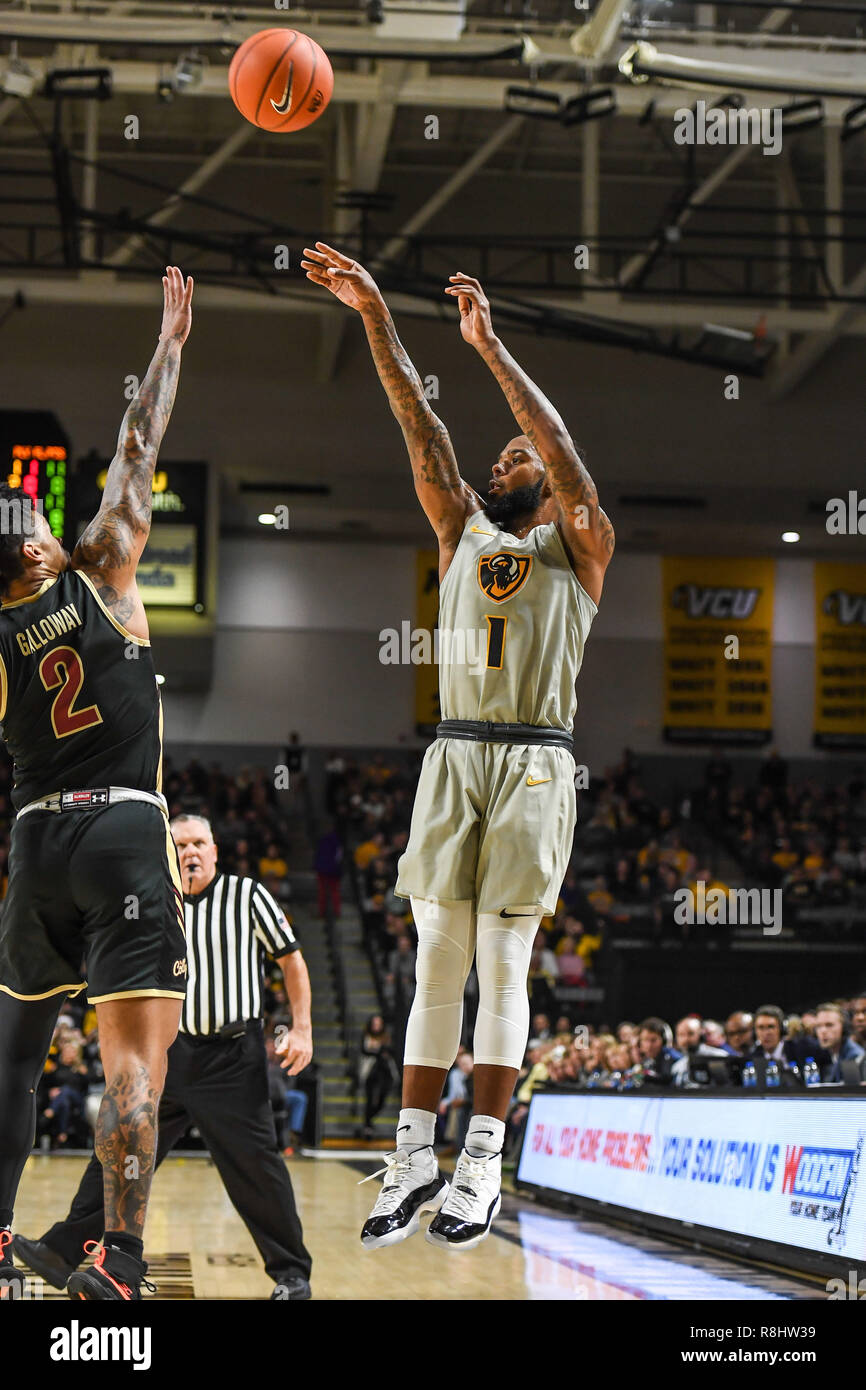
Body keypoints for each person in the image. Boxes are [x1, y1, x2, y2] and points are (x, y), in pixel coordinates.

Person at [302, 242, 613, 1252]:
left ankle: (481, 1156)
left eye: (512, 459)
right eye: (500, 461)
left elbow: (560, 446)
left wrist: (485, 347)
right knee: (437, 956)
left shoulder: (578, 543)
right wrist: (375, 317)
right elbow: (417, 425)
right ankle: (411, 1153)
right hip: (454, 754)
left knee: (502, 958)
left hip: (531, 757)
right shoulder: (460, 530)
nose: (501, 462)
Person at [0, 267, 194, 1301]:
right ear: (35, 543)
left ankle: (15, 1238)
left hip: (33, 842)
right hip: (121, 827)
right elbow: (136, 448)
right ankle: (116, 1258)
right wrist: (167, 345)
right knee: (134, 1068)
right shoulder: (104, 565)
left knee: (16, 1059)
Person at [13, 815, 314, 1300]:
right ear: (166, 855)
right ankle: (63, 1249)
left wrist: (301, 1028)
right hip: (170, 1051)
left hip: (232, 1057)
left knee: (256, 1168)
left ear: (215, 849)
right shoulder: (152, 901)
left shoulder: (248, 895)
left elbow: (291, 958)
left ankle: (291, 1274)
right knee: (123, 1145)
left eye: (198, 843)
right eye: (180, 845)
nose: (190, 852)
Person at [814, 1002, 865, 1082]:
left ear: (844, 1028)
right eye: (819, 1026)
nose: (823, 1031)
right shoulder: (830, 1054)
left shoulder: (854, 1057)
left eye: (829, 1025)